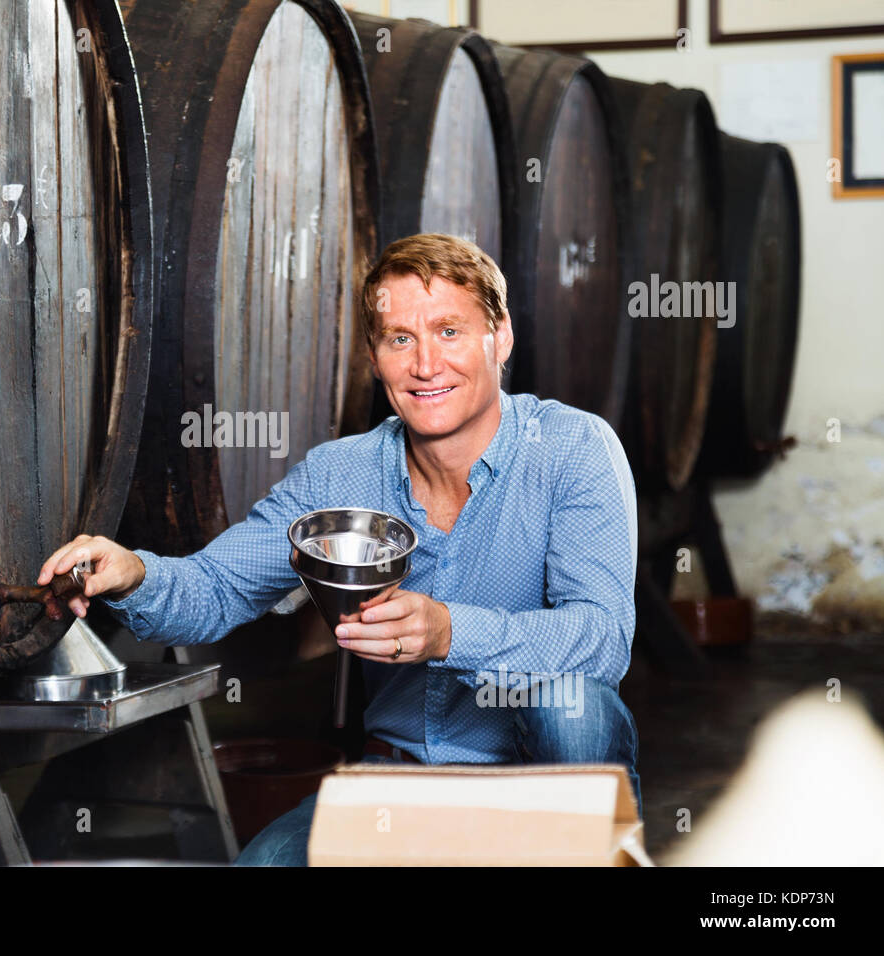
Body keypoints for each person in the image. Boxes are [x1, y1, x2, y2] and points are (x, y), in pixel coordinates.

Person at [36, 233, 641, 866]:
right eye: (399, 339)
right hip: (396, 788)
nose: (426, 365)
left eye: (450, 332)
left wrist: (447, 632)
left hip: (534, 787)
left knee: (571, 706)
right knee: (265, 863)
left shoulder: (572, 449)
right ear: (375, 359)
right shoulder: (341, 474)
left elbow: (601, 638)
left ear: (501, 336)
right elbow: (217, 588)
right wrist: (134, 573)